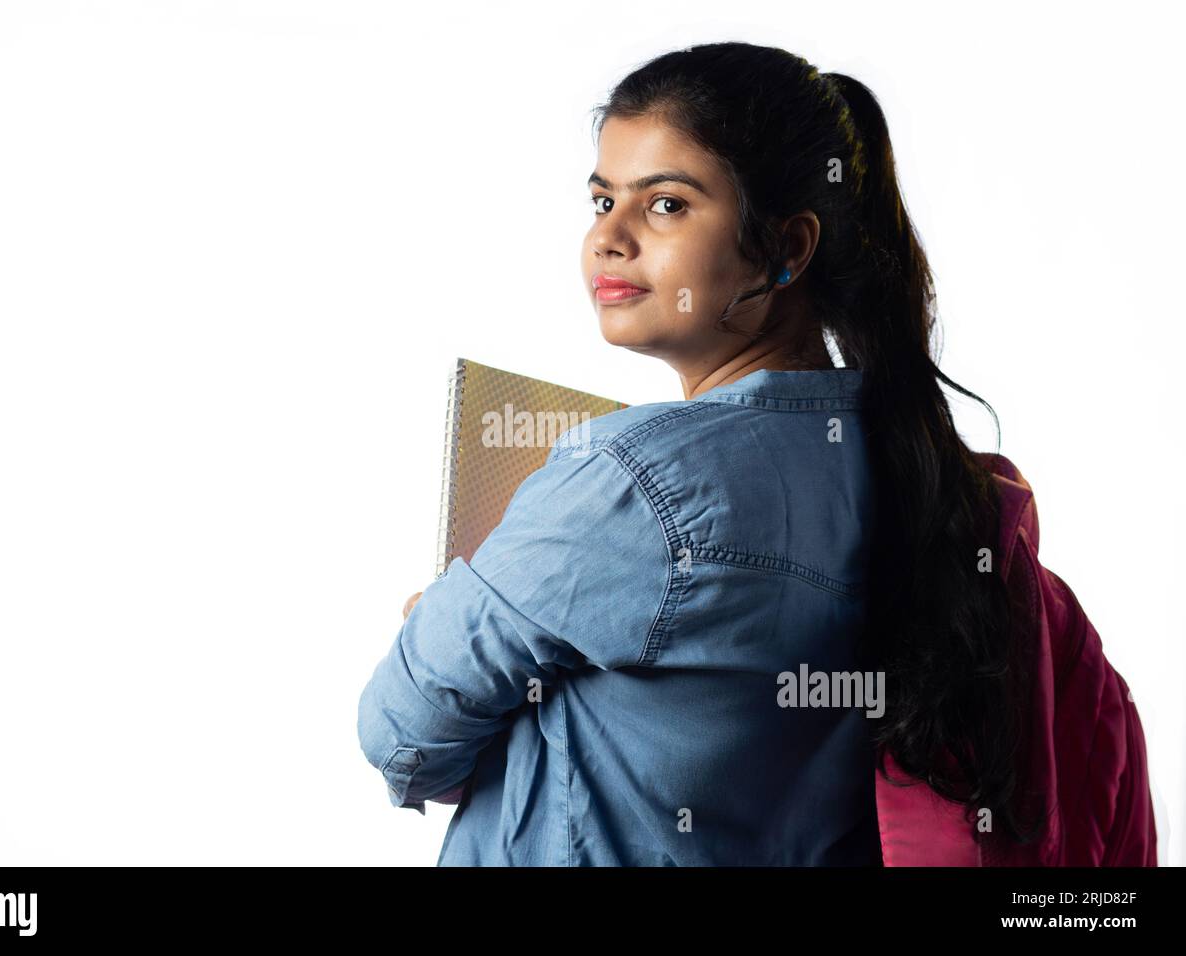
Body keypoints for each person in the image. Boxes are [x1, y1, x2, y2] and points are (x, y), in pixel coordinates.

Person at [356, 42, 1153, 865]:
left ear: (787, 248)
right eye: (601, 200)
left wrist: (444, 627)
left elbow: (399, 737)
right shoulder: (930, 481)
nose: (609, 239)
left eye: (666, 205)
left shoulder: (629, 482)